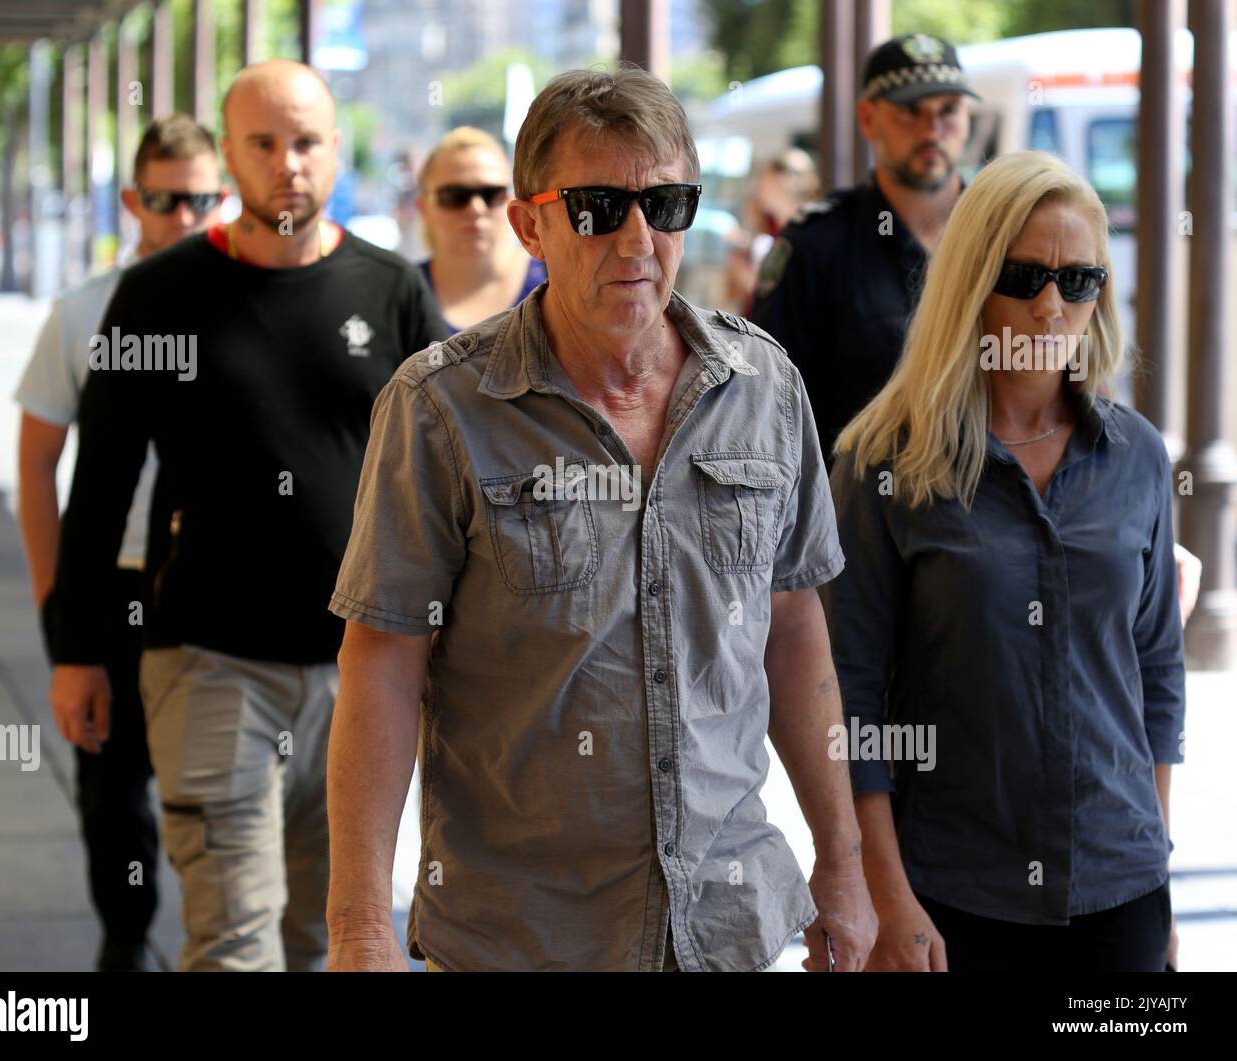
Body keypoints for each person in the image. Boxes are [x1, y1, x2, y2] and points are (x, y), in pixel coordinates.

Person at [325, 66, 877, 973]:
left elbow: (793, 626)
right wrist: (358, 925)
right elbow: (382, 660)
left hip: (726, 924)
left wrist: (844, 865)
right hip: (522, 938)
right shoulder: (441, 408)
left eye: (665, 204)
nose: (637, 238)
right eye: (596, 208)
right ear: (530, 223)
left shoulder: (765, 387)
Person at [45, 59, 448, 972]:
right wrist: (78, 651)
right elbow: (101, 482)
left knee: (329, 937)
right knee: (231, 941)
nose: (288, 164)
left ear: (336, 151)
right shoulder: (158, 296)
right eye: (263, 143)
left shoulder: (390, 293)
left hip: (367, 675)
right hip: (210, 661)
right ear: (228, 154)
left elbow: (450, 477)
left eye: (306, 142)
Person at [822, 151, 1185, 972]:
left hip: (1120, 895)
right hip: (953, 901)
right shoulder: (887, 463)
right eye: (1023, 276)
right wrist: (885, 896)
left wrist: (1154, 858)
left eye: (1079, 279)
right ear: (972, 282)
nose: (1052, 305)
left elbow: (1157, 671)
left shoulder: (1137, 457)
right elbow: (849, 699)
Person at [16, 114, 225, 971]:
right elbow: (35, 466)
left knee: (225, 784)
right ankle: (126, 941)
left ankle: (224, 944)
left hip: (216, 580)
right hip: (108, 583)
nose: (184, 215)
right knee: (112, 789)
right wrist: (53, 602)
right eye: (166, 199)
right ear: (135, 201)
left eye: (204, 198)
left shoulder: (253, 301)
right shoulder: (84, 312)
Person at [751, 33, 978, 465]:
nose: (932, 130)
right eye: (910, 112)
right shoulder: (816, 246)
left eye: (948, 111)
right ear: (869, 119)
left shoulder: (1003, 236)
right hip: (854, 518)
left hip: (985, 511)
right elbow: (768, 401)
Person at [415, 126, 546, 332]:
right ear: (423, 208)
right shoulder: (404, 291)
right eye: (454, 195)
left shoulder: (553, 279)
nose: (476, 209)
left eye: (491, 194)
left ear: (511, 202)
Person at [723, 147, 817, 314]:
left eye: (765, 179)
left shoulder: (807, 229)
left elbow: (785, 290)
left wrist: (746, 277)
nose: (759, 187)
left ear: (786, 180)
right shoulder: (773, 223)